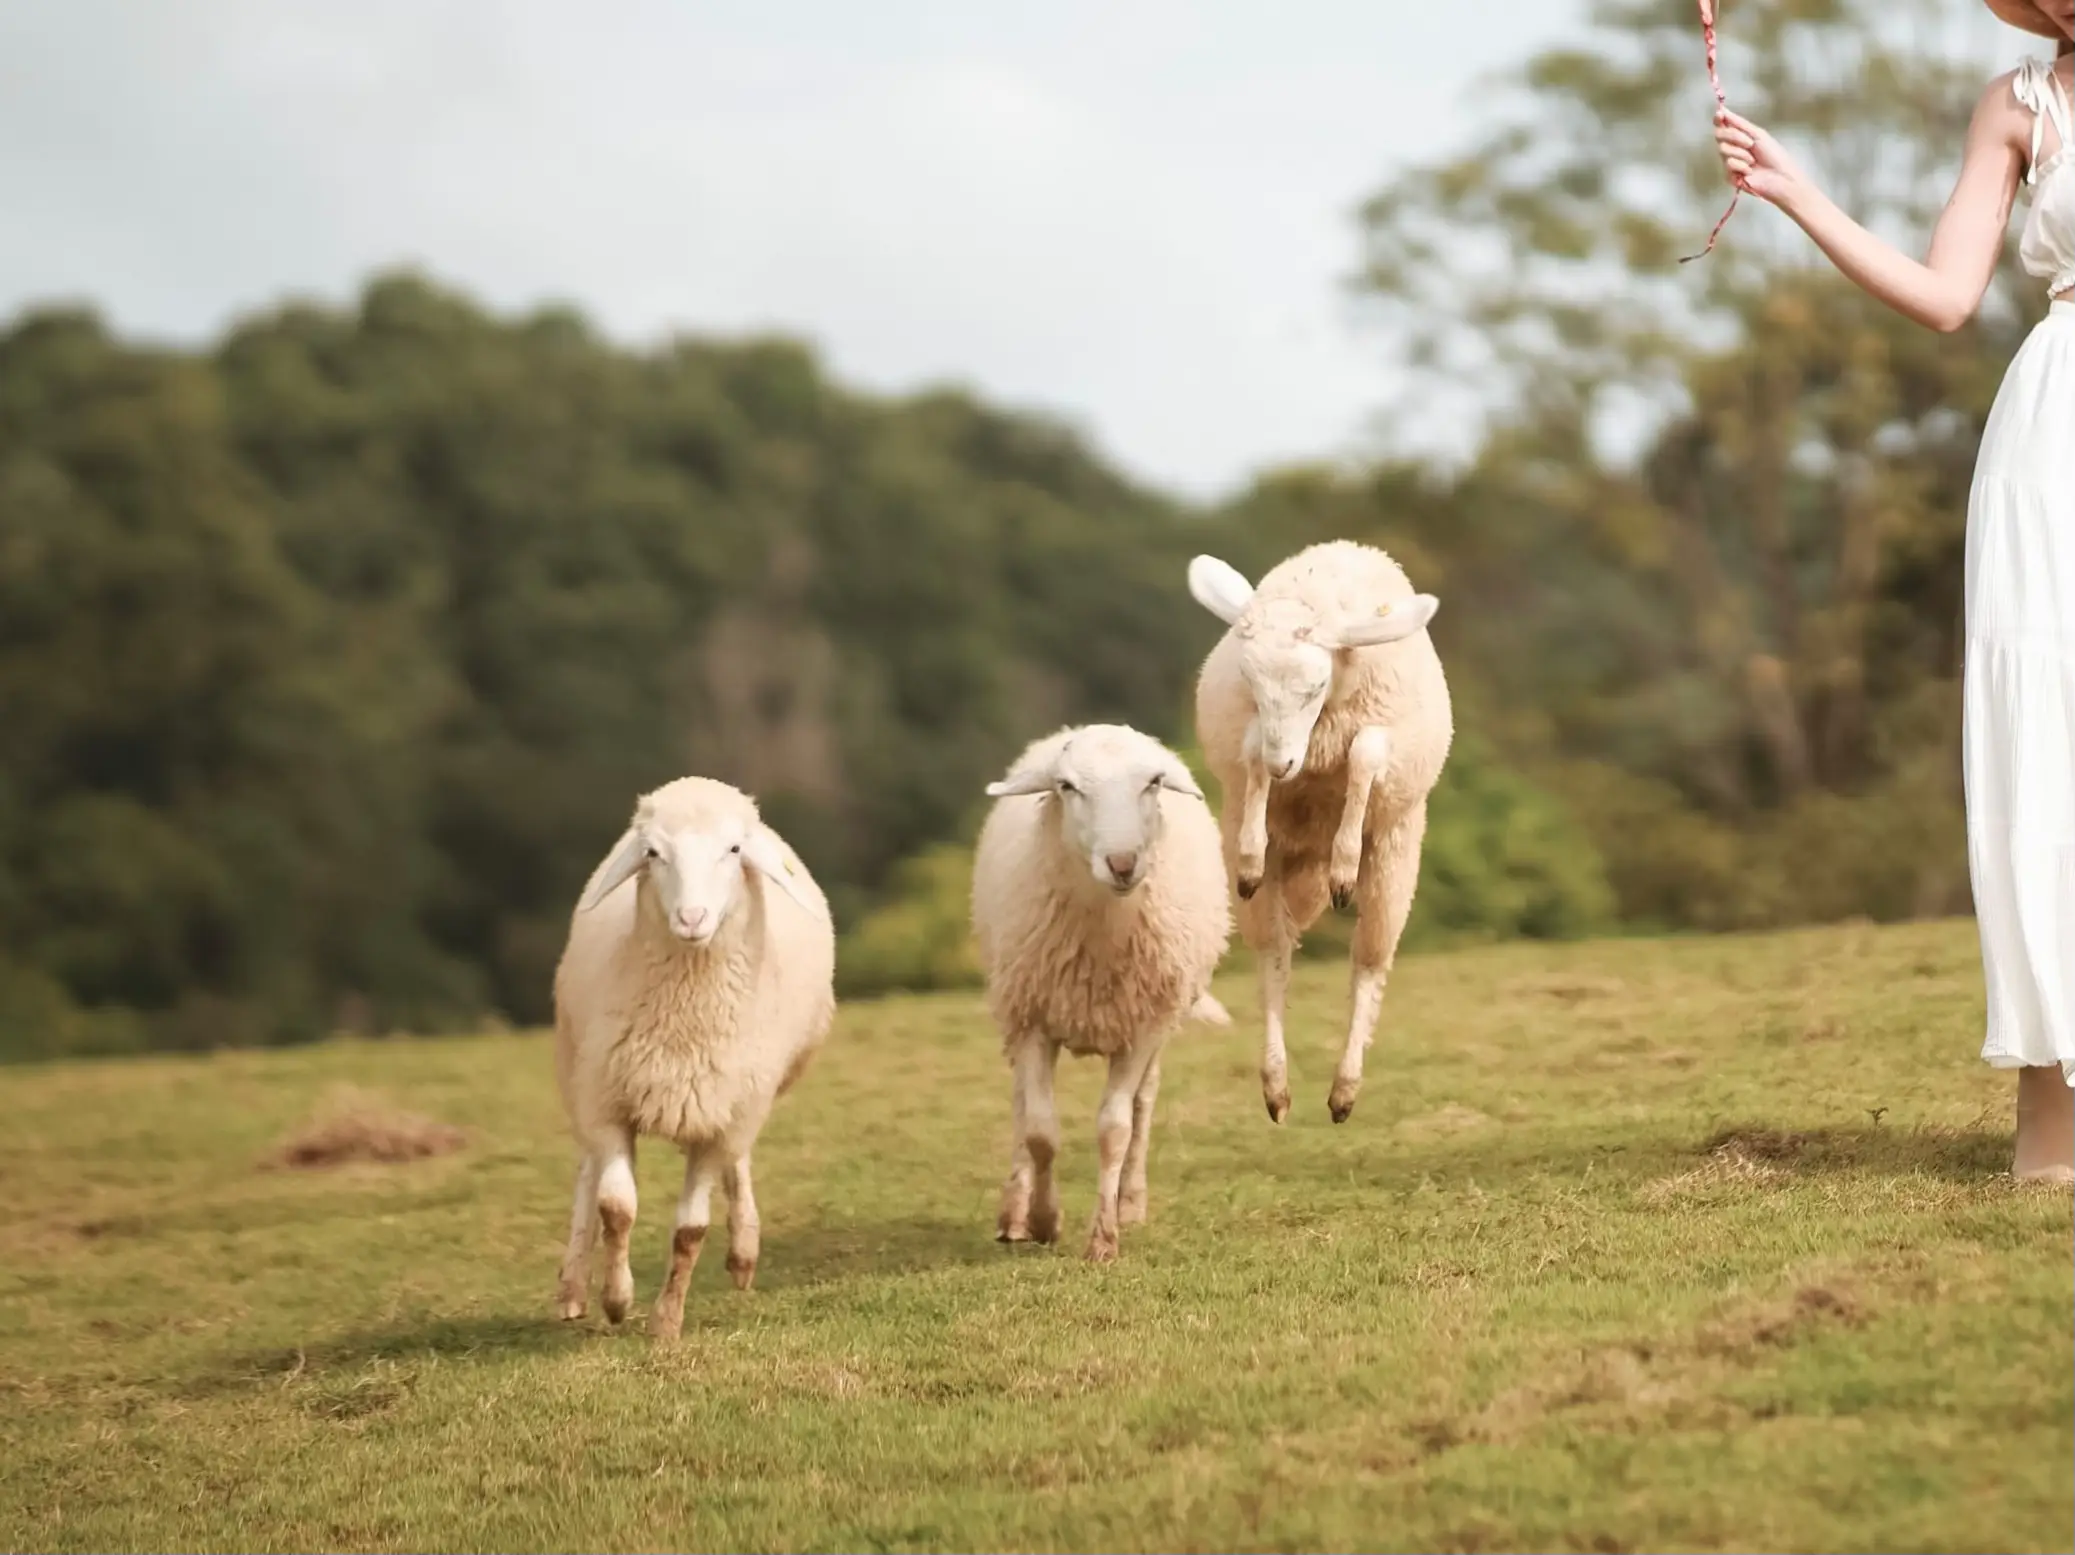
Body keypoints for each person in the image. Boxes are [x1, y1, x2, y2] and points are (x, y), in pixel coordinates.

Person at [1715, 0, 2074, 1184]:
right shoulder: (2017, 107)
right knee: (2043, 754)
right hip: (2049, 442)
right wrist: (1798, 192)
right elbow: (1942, 295)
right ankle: (2051, 1112)